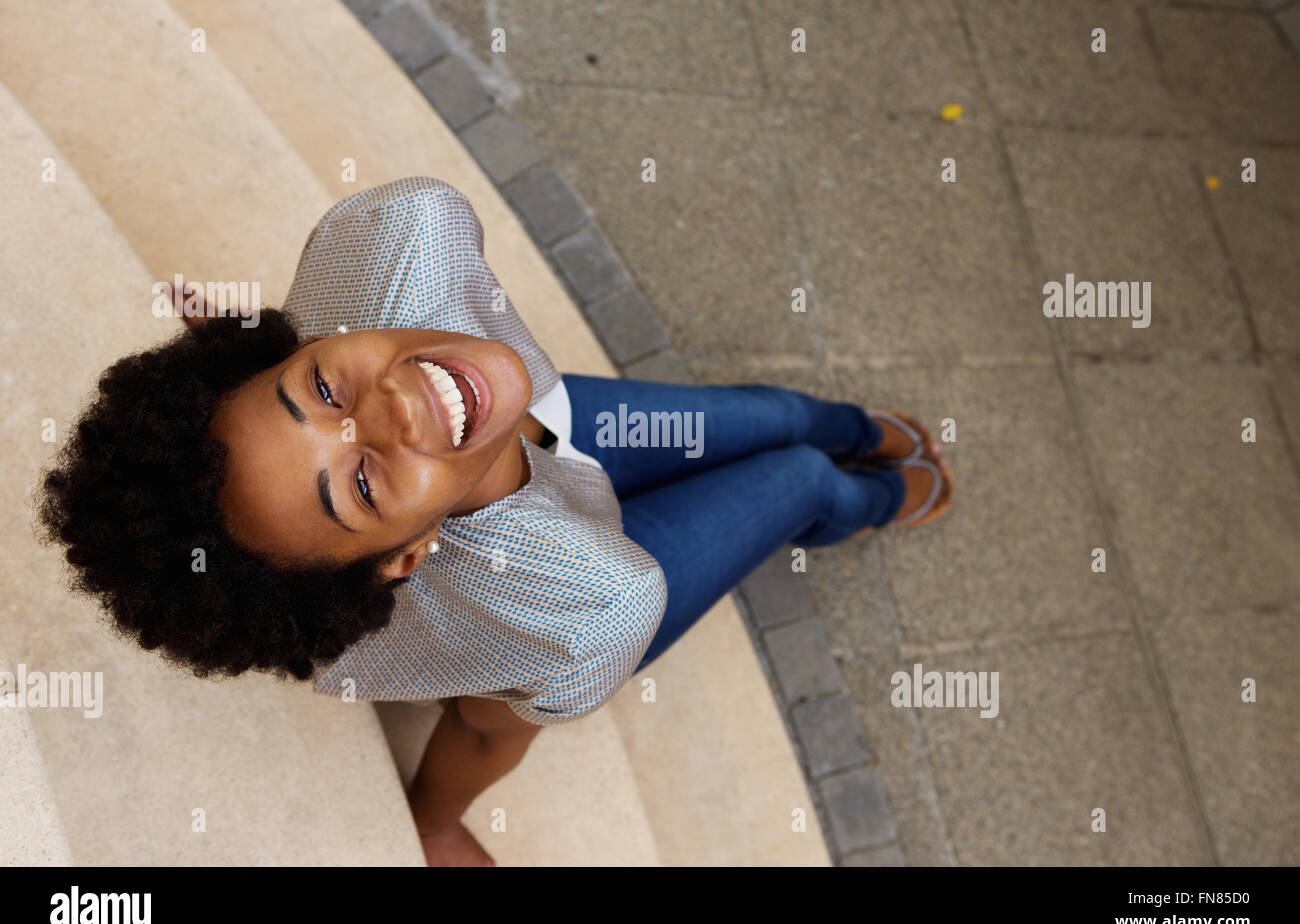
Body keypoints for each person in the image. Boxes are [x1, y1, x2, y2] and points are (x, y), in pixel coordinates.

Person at [37, 177, 953, 866]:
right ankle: (857, 499)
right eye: (356, 486)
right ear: (403, 557)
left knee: (773, 417)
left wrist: (241, 353)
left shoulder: (402, 243)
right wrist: (433, 824)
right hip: (574, 559)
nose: (395, 406)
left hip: (557, 430)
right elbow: (486, 728)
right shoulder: (582, 611)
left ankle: (855, 432)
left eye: (316, 387)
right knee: (794, 478)